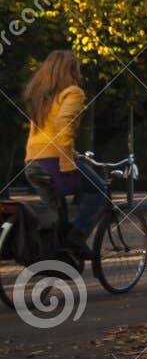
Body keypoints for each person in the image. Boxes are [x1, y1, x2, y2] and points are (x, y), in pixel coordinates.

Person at [21, 49, 108, 254]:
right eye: (76, 69)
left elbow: (43, 131)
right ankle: (77, 237)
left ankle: (55, 256)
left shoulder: (40, 96)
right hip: (53, 158)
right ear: (70, 70)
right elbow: (63, 125)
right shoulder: (73, 92)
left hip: (32, 161)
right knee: (99, 189)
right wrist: (67, 161)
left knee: (56, 214)